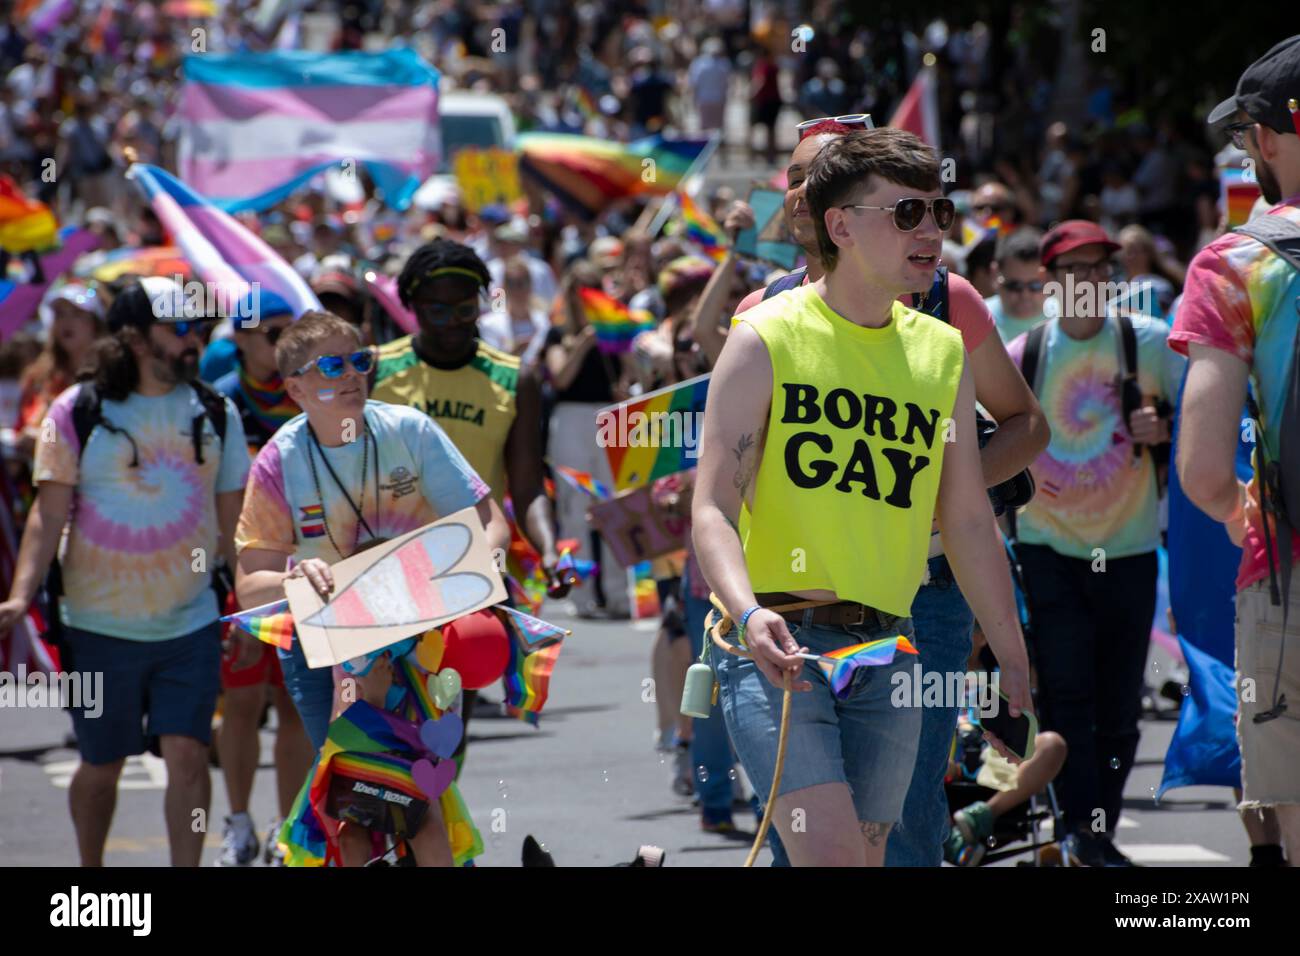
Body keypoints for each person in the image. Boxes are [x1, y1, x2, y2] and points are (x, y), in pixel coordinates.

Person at [702, 120, 1048, 866]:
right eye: (906, 212)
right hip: (780, 643)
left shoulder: (942, 350)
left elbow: (964, 517)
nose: (931, 231)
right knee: (831, 857)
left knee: (873, 855)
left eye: (939, 211)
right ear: (840, 227)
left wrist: (1013, 653)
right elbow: (712, 512)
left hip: (894, 651)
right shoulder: (763, 334)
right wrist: (748, 611)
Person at [0, 276, 250, 867]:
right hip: (94, 625)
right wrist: (18, 598)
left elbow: (234, 525)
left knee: (188, 756)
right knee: (101, 765)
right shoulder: (78, 410)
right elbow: (47, 514)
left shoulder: (216, 411)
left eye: (198, 328)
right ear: (136, 339)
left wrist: (244, 606)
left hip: (191, 621)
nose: (194, 342)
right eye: (179, 329)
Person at [234, 310, 511, 756]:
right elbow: (249, 588)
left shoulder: (409, 430)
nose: (351, 375)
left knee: (422, 790)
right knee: (349, 796)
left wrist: (481, 575)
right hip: (326, 644)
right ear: (296, 389)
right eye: (332, 366)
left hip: (422, 630)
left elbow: (488, 521)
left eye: (359, 361)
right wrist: (293, 578)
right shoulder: (277, 461)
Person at [1005, 220, 1186, 866]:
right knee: (1066, 695)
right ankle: (1078, 828)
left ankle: (1096, 830)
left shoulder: (1151, 344)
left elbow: (1209, 417)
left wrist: (1163, 425)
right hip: (1046, 549)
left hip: (1131, 548)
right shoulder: (1023, 354)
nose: (1089, 282)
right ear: (1052, 282)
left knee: (1118, 706)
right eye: (1074, 271)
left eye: (1100, 270)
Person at [1173, 33, 1300, 865]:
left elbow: (1204, 469)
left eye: (1248, 130)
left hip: (1288, 574)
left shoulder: (1240, 263)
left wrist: (1239, 512)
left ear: (1277, 132)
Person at [372, 239, 570, 725]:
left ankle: (437, 800)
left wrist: (546, 550)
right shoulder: (376, 370)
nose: (456, 323)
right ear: (413, 308)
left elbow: (526, 488)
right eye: (438, 311)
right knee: (381, 719)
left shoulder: (512, 379)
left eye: (466, 309)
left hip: (470, 567)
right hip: (384, 563)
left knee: (446, 725)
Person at [210, 292, 313, 866]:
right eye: (266, 333)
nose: (276, 344)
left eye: (285, 331)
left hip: (309, 571)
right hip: (245, 573)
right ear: (241, 339)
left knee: (295, 703)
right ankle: (239, 823)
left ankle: (287, 827)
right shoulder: (222, 402)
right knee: (243, 701)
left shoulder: (309, 397)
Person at [543, 260, 633, 618]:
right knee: (574, 510)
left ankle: (618, 594)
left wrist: (623, 358)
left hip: (610, 418)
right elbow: (560, 377)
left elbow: (633, 373)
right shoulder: (557, 335)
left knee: (614, 508)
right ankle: (580, 597)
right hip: (572, 419)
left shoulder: (613, 333)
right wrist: (582, 343)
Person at [985, 228, 1049, 344]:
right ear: (995, 274)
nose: (1025, 295)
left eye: (1035, 285)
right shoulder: (977, 319)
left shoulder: (1065, 320)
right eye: (1014, 286)